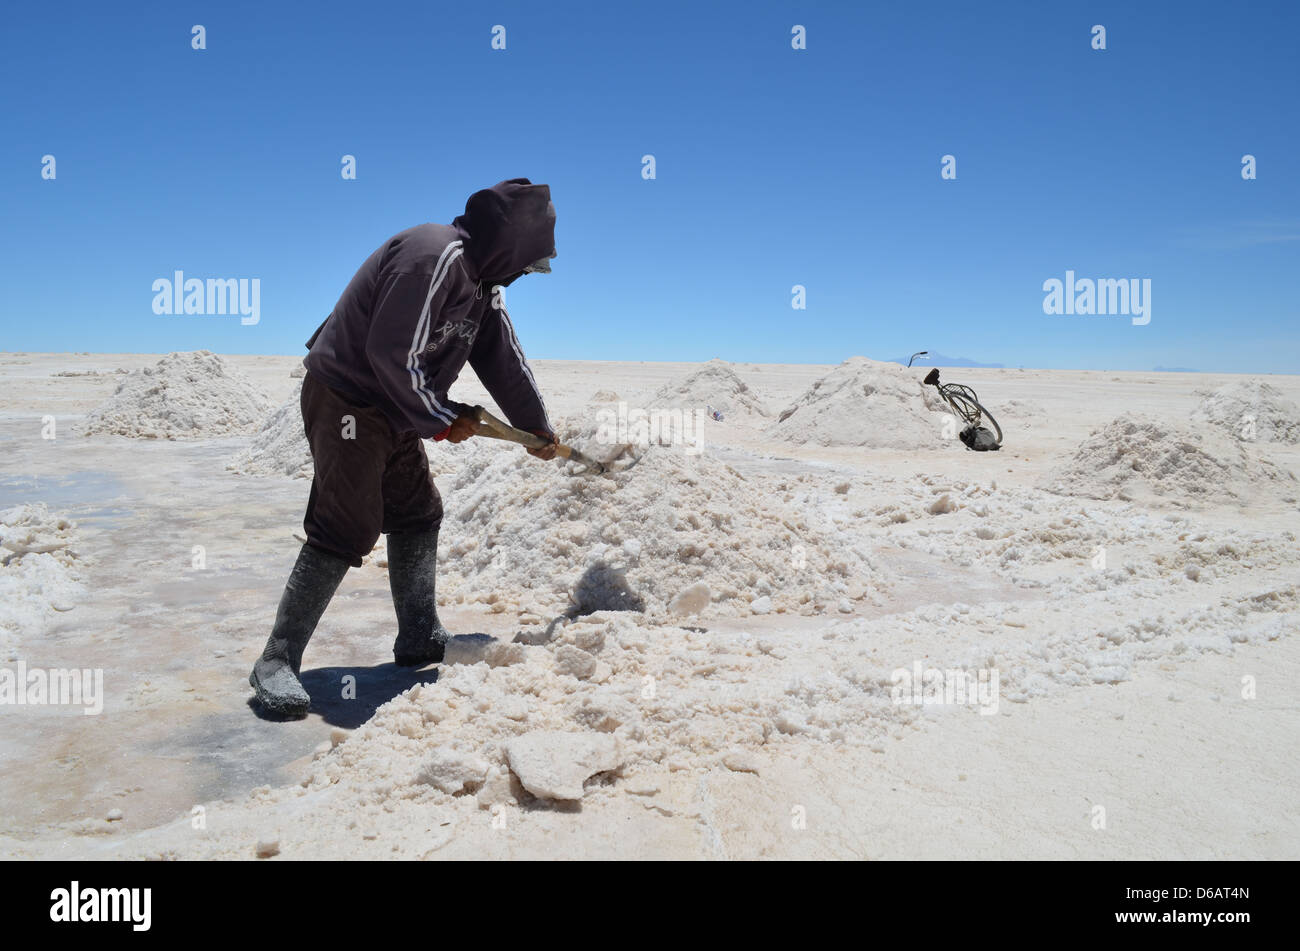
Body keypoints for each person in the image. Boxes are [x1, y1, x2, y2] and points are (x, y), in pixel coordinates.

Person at [249, 178, 559, 717]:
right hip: (348, 396)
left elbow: (501, 355)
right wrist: (441, 419)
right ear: (508, 247)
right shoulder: (433, 255)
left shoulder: (482, 284)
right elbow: (391, 353)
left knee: (417, 513)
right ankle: (277, 659)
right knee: (348, 524)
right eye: (525, 264)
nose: (522, 276)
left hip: (395, 405)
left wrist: (536, 428)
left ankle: (418, 636)